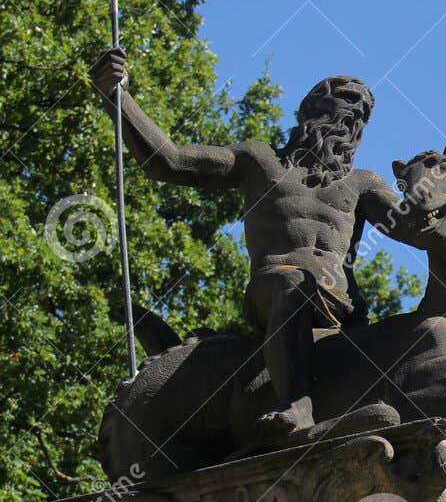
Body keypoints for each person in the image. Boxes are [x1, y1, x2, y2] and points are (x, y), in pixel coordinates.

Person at [90, 49, 401, 439]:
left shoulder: (364, 184)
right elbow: (168, 161)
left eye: (363, 113)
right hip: (275, 290)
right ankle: (297, 406)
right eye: (346, 101)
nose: (354, 115)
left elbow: (414, 227)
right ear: (312, 107)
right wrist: (116, 97)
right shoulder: (259, 161)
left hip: (341, 305)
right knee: (293, 283)